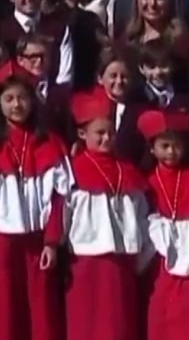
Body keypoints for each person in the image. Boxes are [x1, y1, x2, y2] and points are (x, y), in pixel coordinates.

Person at [0, 75, 71, 340]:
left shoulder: (50, 143)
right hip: (2, 240)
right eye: (9, 99)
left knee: (42, 304)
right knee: (5, 304)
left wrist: (52, 242)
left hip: (38, 238)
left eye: (22, 98)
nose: (16, 105)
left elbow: (59, 197)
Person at [65, 93, 149, 340]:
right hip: (84, 260)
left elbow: (141, 214)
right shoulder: (73, 170)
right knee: (87, 322)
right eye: (99, 133)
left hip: (121, 259)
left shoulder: (128, 170)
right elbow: (65, 212)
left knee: (119, 323)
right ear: (83, 134)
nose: (106, 139)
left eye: (110, 133)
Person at [136, 110, 189, 340]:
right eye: (165, 146)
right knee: (158, 309)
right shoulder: (147, 182)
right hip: (158, 260)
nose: (171, 152)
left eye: (176, 146)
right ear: (153, 148)